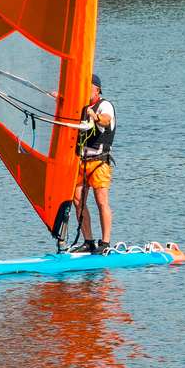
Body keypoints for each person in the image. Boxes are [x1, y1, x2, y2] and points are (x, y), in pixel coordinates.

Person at [73, 73, 115, 254]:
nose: (84, 90)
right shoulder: (81, 106)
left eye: (88, 86)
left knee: (101, 202)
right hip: (81, 162)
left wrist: (95, 117)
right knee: (77, 200)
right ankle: (88, 241)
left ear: (96, 89)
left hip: (99, 162)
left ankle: (105, 243)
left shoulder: (104, 105)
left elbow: (106, 120)